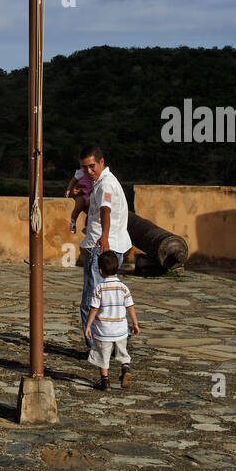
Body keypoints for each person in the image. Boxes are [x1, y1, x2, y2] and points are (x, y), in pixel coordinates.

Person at [77, 147, 132, 356]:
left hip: (100, 245)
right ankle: (117, 344)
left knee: (91, 300)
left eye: (92, 166)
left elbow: (105, 210)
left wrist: (104, 237)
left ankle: (97, 348)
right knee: (112, 299)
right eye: (85, 167)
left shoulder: (106, 183)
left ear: (101, 162)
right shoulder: (100, 182)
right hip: (111, 243)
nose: (89, 171)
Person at [84, 250, 140, 390]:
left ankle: (105, 382)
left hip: (104, 332)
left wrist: (88, 325)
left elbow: (93, 309)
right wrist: (135, 323)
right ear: (117, 268)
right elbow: (130, 307)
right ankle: (125, 368)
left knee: (102, 356)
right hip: (121, 331)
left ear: (100, 271)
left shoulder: (99, 289)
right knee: (122, 353)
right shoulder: (123, 288)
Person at [66, 166, 93, 234]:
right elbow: (73, 181)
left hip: (91, 194)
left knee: (91, 211)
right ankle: (73, 222)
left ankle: (87, 226)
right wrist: (69, 189)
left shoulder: (94, 173)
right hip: (82, 193)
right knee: (77, 208)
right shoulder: (81, 172)